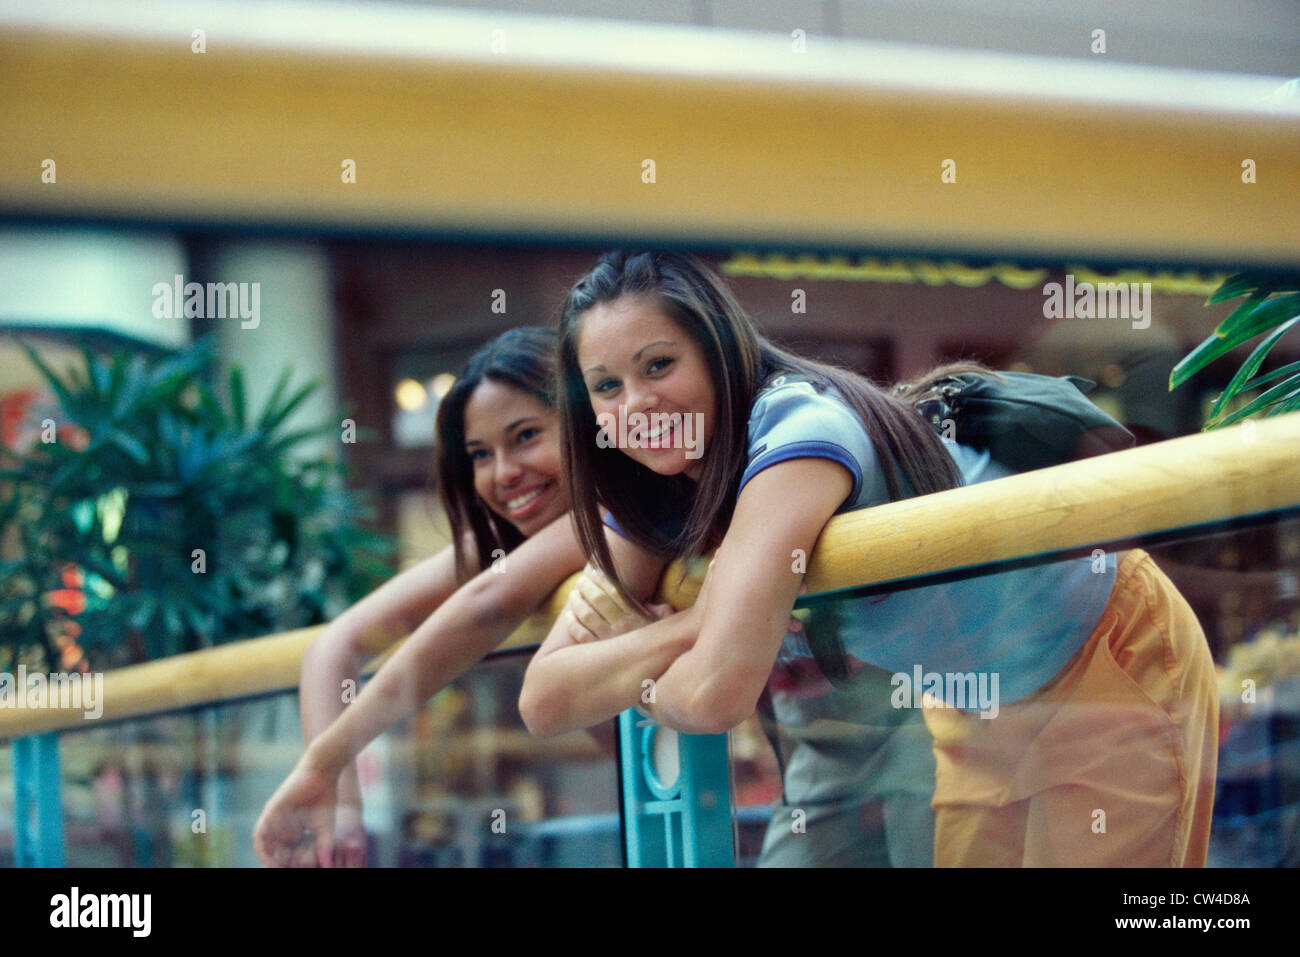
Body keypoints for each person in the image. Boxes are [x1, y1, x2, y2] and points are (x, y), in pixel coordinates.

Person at [518, 250, 1219, 867]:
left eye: (659, 364)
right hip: (979, 703)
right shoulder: (665, 486)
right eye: (606, 386)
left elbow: (712, 695)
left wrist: (669, 646)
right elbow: (544, 698)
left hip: (1105, 654)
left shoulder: (798, 429)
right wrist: (691, 628)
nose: (637, 402)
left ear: (719, 350)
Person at [253, 327, 659, 868]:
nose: (504, 473)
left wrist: (323, 765)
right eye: (480, 454)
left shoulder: (622, 506)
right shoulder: (503, 547)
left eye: (524, 436)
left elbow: (489, 604)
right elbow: (335, 647)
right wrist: (342, 805)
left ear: (584, 427)